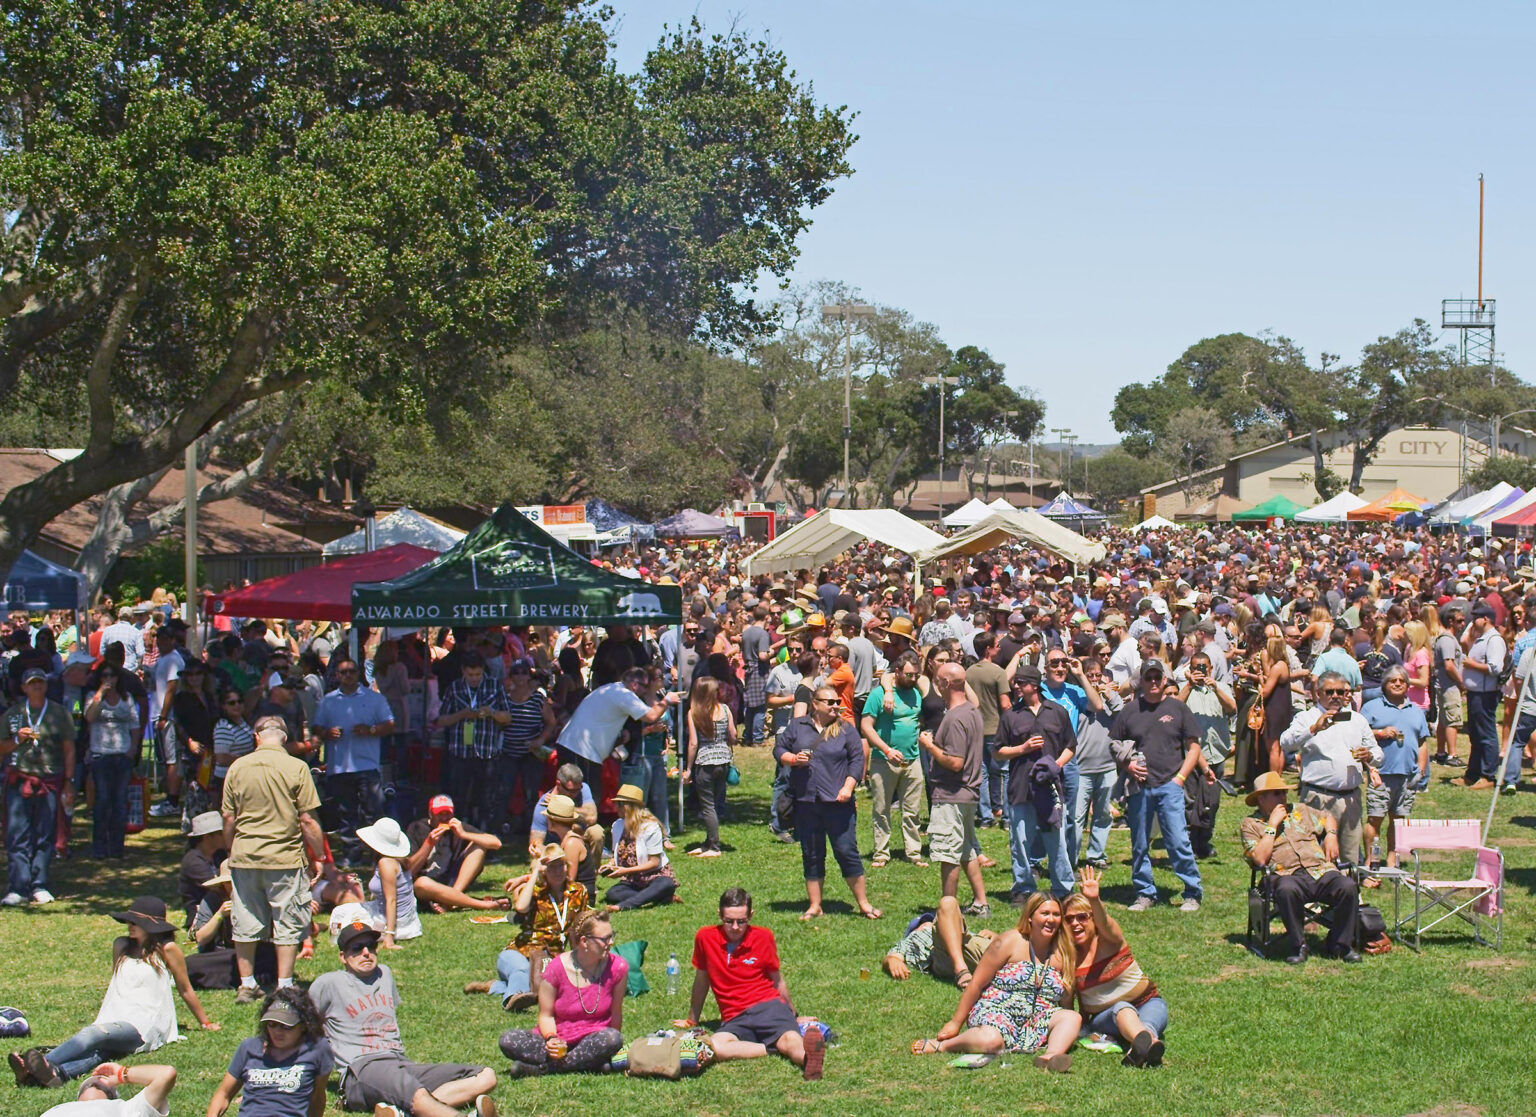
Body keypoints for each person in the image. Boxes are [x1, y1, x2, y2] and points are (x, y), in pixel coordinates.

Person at [10, 897, 217, 1087]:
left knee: (91, 1034)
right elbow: (118, 987)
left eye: (135, 922)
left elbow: (185, 988)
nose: (129, 926)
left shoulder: (167, 949)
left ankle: (42, 1064)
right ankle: (56, 1074)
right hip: (114, 1018)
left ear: (151, 925)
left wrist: (205, 1023)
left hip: (143, 1024)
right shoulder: (121, 945)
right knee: (101, 1052)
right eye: (129, 921)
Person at [311, 920, 497, 1117]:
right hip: (362, 1067)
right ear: (343, 956)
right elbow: (305, 1027)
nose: (366, 952)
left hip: (401, 1062)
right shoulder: (329, 983)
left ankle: (402, 1111)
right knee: (416, 1094)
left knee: (486, 1077)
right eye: (357, 948)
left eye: (371, 946)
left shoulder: (385, 974)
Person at [909, 892, 1080, 1072]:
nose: (1051, 919)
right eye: (1045, 913)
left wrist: (1067, 1026)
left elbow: (1066, 1001)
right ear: (1030, 917)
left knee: (1072, 1018)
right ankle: (944, 1046)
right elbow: (976, 984)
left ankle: (1049, 1057)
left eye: (1056, 914)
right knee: (992, 1040)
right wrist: (955, 1022)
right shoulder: (1010, 941)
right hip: (998, 1011)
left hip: (1036, 1018)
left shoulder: (1063, 953)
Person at [221, 716, 326, 1003]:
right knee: (288, 919)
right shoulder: (297, 767)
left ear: (256, 736)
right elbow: (307, 819)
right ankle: (285, 984)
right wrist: (319, 854)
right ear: (284, 737)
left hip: (245, 855)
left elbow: (228, 817)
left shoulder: (237, 768)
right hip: (284, 857)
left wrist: (231, 849)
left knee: (244, 917)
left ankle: (246, 983)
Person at [683, 887, 827, 1081]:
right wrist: (692, 1019)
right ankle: (773, 1049)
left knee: (789, 1039)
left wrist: (794, 1015)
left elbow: (777, 980)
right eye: (729, 921)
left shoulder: (763, 936)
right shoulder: (705, 937)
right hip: (734, 1016)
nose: (735, 927)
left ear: (750, 915)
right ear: (719, 915)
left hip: (769, 1006)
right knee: (714, 1047)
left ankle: (809, 1061)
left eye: (741, 921)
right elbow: (701, 980)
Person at [774, 684, 881, 921]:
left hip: (838, 802)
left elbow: (856, 760)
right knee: (812, 853)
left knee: (846, 851)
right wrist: (792, 759)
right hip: (806, 801)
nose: (835, 706)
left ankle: (863, 904)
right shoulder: (797, 726)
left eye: (837, 703)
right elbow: (778, 749)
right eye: (829, 702)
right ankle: (815, 905)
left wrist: (848, 787)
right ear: (815, 703)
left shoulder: (845, 729)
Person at [1111, 660, 1209, 913]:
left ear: (1165, 680)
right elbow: (1113, 742)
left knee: (1177, 841)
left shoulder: (1178, 708)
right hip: (1139, 787)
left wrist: (1181, 778)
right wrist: (1127, 766)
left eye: (1158, 677)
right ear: (1141, 681)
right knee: (1140, 843)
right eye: (1148, 678)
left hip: (1170, 785)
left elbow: (1194, 746)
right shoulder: (1130, 710)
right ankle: (1144, 893)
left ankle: (1192, 892)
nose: (1153, 682)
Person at [1240, 772, 1362, 965]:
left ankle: (1340, 944)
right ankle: (1299, 945)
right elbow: (1260, 860)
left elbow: (1327, 817)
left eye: (1284, 793)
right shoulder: (1251, 825)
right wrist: (1272, 825)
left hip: (1319, 870)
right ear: (1261, 799)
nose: (1283, 797)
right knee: (1288, 890)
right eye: (1277, 793)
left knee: (1347, 886)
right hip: (1284, 874)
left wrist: (1330, 835)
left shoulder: (1301, 810)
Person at [496, 910, 626, 1077]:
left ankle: (543, 1069)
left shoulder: (618, 967)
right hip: (558, 1038)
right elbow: (546, 1015)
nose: (611, 942)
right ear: (584, 941)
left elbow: (616, 1014)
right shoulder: (556, 968)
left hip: (594, 1039)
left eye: (611, 936)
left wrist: (613, 1051)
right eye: (605, 939)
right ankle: (589, 1064)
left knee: (612, 1038)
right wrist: (551, 1039)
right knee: (508, 1040)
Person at [1063, 866, 1168, 1067]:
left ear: (1093, 918)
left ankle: (1145, 1046)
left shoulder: (1110, 940)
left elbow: (1105, 922)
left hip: (1149, 1002)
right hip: (1106, 1018)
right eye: (1069, 919)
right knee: (1121, 1008)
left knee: (1147, 1025)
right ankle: (1145, 1044)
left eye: (1082, 917)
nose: (1076, 923)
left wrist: (1094, 900)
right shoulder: (1068, 957)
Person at [1279, 672, 1382, 866]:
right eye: (1330, 691)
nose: (1335, 696)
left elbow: (1377, 751)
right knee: (1316, 853)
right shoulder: (1306, 717)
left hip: (1350, 798)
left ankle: (1350, 891)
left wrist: (1370, 756)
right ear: (1318, 694)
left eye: (1341, 692)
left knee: (1350, 854)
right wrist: (1313, 729)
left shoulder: (1357, 720)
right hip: (1318, 797)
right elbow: (1285, 742)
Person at [996, 665, 1075, 901]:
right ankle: (1023, 888)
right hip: (1021, 786)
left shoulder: (1057, 711)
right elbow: (998, 751)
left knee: (1056, 839)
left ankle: (1063, 889)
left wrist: (1057, 766)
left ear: (1034, 685)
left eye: (1020, 683)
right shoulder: (1011, 715)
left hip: (1050, 788)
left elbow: (1071, 746)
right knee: (1020, 840)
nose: (1016, 687)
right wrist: (1022, 748)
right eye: (1015, 683)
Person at [308, 653, 395, 864]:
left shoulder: (374, 698)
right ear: (337, 675)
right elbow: (316, 726)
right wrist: (326, 733)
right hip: (339, 767)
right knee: (346, 815)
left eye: (352, 671)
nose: (348, 676)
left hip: (367, 764)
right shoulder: (328, 701)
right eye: (343, 672)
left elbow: (390, 724)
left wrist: (371, 729)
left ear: (359, 674)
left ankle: (379, 854)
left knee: (374, 811)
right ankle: (351, 855)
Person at [1, 666, 77, 905]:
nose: (37, 686)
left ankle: (39, 884)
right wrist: (17, 740)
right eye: (32, 683)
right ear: (23, 687)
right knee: (17, 834)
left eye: (40, 682)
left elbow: (69, 749)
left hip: (49, 781)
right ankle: (18, 886)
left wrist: (69, 781)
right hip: (19, 780)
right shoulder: (12, 714)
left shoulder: (58, 713)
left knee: (45, 834)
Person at [484, 843, 591, 1012]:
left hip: (550, 958)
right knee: (522, 970)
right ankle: (513, 998)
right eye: (552, 866)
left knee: (550, 986)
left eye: (561, 865)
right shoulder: (534, 891)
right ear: (544, 869)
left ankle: (496, 987)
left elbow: (580, 928)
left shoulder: (578, 892)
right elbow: (521, 907)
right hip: (520, 952)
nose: (557, 871)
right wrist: (534, 872)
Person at [921, 662, 987, 912]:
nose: (935, 684)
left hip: (951, 795)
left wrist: (930, 747)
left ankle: (947, 909)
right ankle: (981, 901)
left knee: (948, 854)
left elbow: (955, 762)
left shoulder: (956, 717)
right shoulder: (971, 711)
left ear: (946, 684)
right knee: (966, 850)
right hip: (967, 795)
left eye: (937, 680)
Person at [205, 988, 333, 1117]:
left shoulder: (317, 1049)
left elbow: (317, 1097)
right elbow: (223, 1094)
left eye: (286, 1027)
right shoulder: (249, 1048)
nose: (278, 1032)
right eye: (272, 1024)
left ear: (304, 1025)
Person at [555, 666, 677, 794]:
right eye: (645, 687)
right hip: (581, 751)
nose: (646, 691)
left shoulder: (611, 688)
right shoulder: (625, 695)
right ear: (634, 684)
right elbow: (651, 716)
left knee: (572, 796)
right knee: (586, 798)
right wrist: (667, 700)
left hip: (571, 745)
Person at [1361, 665, 1431, 868]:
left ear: (1408, 685)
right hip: (1380, 774)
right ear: (1385, 685)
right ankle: (1371, 860)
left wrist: (1421, 769)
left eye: (1402, 681)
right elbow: (1358, 734)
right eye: (1393, 681)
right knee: (1375, 818)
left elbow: (1422, 742)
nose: (1398, 684)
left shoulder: (1416, 711)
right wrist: (1380, 733)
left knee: (1399, 821)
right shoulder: (1372, 707)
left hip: (1408, 776)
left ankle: (1393, 859)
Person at [435, 650, 513, 832]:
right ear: (463, 671)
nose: (474, 679)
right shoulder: (455, 688)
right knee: (460, 799)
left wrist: (492, 713)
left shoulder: (494, 686)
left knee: (486, 800)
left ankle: (485, 837)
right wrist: (462, 715)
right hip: (460, 753)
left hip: (486, 752)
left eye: (478, 674)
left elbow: (508, 717)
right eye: (470, 675)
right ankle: (459, 836)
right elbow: (441, 720)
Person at [860, 651, 925, 868]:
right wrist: (887, 750)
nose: (913, 679)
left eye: (916, 675)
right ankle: (881, 853)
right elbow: (866, 727)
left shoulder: (916, 693)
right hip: (883, 760)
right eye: (909, 674)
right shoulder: (878, 695)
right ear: (896, 671)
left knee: (912, 810)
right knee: (882, 808)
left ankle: (914, 852)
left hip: (912, 759)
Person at [1177, 651, 1235, 860]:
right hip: (1191, 754)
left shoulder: (1222, 687)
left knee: (1213, 802)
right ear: (1190, 669)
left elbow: (1232, 708)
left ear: (1211, 668)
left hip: (1217, 753)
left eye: (1204, 667)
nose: (1201, 670)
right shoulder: (1187, 689)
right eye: (1196, 667)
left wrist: (1216, 688)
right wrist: (1189, 685)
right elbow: (1175, 707)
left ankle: (1205, 841)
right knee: (1191, 801)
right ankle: (1190, 843)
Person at [405, 794, 507, 912]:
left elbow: (496, 843)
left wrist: (464, 834)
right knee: (421, 884)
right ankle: (483, 905)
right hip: (427, 883)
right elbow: (409, 870)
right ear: (430, 813)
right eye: (439, 813)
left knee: (479, 845)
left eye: (447, 813)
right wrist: (429, 843)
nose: (444, 817)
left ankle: (452, 898)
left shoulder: (456, 826)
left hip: (452, 880)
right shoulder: (416, 828)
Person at [84, 663, 142, 860]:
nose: (109, 679)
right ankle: (99, 847)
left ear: (118, 678)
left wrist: (132, 750)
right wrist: (100, 694)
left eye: (112, 675)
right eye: (105, 675)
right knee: (101, 802)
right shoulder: (92, 697)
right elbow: (90, 717)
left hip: (122, 755)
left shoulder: (127, 698)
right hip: (100, 755)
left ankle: (117, 848)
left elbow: (135, 725)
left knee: (119, 802)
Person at [1072, 657, 1121, 870]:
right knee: (1075, 818)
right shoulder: (1079, 699)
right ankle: (1071, 857)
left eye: (1097, 675)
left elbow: (1124, 715)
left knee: (1102, 814)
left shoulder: (1112, 699)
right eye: (1089, 675)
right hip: (1081, 768)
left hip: (1107, 766)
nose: (1094, 680)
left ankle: (1096, 855)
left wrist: (1110, 695)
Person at [883, 896, 996, 989]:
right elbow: (893, 956)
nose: (928, 923)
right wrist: (892, 961)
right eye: (922, 923)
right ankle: (961, 971)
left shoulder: (951, 926)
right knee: (948, 902)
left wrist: (997, 938)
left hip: (967, 947)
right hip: (942, 955)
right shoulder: (911, 939)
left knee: (1007, 950)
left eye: (931, 920)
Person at [599, 783, 677, 910]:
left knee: (666, 883)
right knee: (612, 893)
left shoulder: (650, 827)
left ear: (629, 807)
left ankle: (623, 906)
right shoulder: (617, 826)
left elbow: (654, 862)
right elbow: (616, 854)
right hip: (633, 880)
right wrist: (610, 865)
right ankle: (657, 897)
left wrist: (625, 871)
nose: (616, 807)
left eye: (619, 804)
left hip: (654, 875)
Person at [684, 674, 737, 858]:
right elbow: (733, 736)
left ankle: (714, 846)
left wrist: (688, 769)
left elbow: (693, 743)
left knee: (707, 806)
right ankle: (708, 841)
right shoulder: (725, 709)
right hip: (723, 760)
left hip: (704, 762)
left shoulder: (694, 713)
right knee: (715, 802)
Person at [966, 631, 1012, 829]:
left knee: (981, 773)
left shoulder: (968, 673)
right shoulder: (998, 672)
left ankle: (985, 817)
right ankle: (1007, 817)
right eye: (996, 645)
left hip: (976, 729)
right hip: (996, 729)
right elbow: (1005, 704)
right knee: (1004, 772)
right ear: (988, 649)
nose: (999, 648)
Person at [1460, 601, 1507, 789]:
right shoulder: (1483, 638)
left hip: (1485, 694)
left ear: (1485, 619)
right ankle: (1473, 773)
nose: (1473, 621)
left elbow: (1496, 668)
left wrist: (1472, 666)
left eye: (1476, 617)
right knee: (1475, 734)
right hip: (1476, 692)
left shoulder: (1494, 640)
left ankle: (1488, 775)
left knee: (1486, 734)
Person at [358, 817, 424, 946]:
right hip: (407, 920)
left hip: (394, 922)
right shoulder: (400, 860)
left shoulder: (386, 864)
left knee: (343, 913)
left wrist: (389, 935)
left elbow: (391, 900)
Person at [37, 1062, 178, 1117]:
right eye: (91, 1083)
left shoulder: (128, 1110)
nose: (98, 1081)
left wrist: (122, 1074)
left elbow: (166, 1074)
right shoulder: (54, 1111)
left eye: (104, 1084)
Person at [179, 811, 229, 926]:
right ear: (207, 837)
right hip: (202, 917)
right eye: (220, 833)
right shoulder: (193, 861)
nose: (225, 835)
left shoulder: (219, 855)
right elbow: (219, 888)